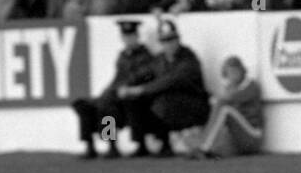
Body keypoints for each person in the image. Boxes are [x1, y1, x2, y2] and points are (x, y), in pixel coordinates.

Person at [117, 18, 210, 157]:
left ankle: (165, 143)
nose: (169, 44)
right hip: (166, 101)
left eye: (172, 40)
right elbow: (142, 74)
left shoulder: (188, 57)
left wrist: (140, 89)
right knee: (127, 103)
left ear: (178, 39)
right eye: (165, 41)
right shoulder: (156, 59)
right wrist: (126, 86)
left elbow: (171, 81)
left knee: (160, 102)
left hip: (192, 103)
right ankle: (134, 144)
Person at [70, 19, 155, 158]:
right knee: (82, 105)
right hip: (116, 93)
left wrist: (118, 90)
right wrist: (108, 91)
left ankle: (112, 145)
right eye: (126, 36)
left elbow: (141, 76)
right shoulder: (122, 56)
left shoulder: (145, 55)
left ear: (137, 36)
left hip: (130, 96)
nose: (128, 39)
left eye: (131, 36)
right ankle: (89, 145)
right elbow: (117, 78)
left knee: (106, 105)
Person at [190, 56, 264, 159]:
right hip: (236, 140)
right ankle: (203, 144)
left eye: (235, 71)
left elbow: (228, 98)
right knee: (217, 108)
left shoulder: (251, 86)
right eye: (229, 72)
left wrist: (215, 99)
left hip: (252, 137)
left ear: (242, 70)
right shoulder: (229, 87)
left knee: (224, 109)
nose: (232, 75)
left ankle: (204, 147)